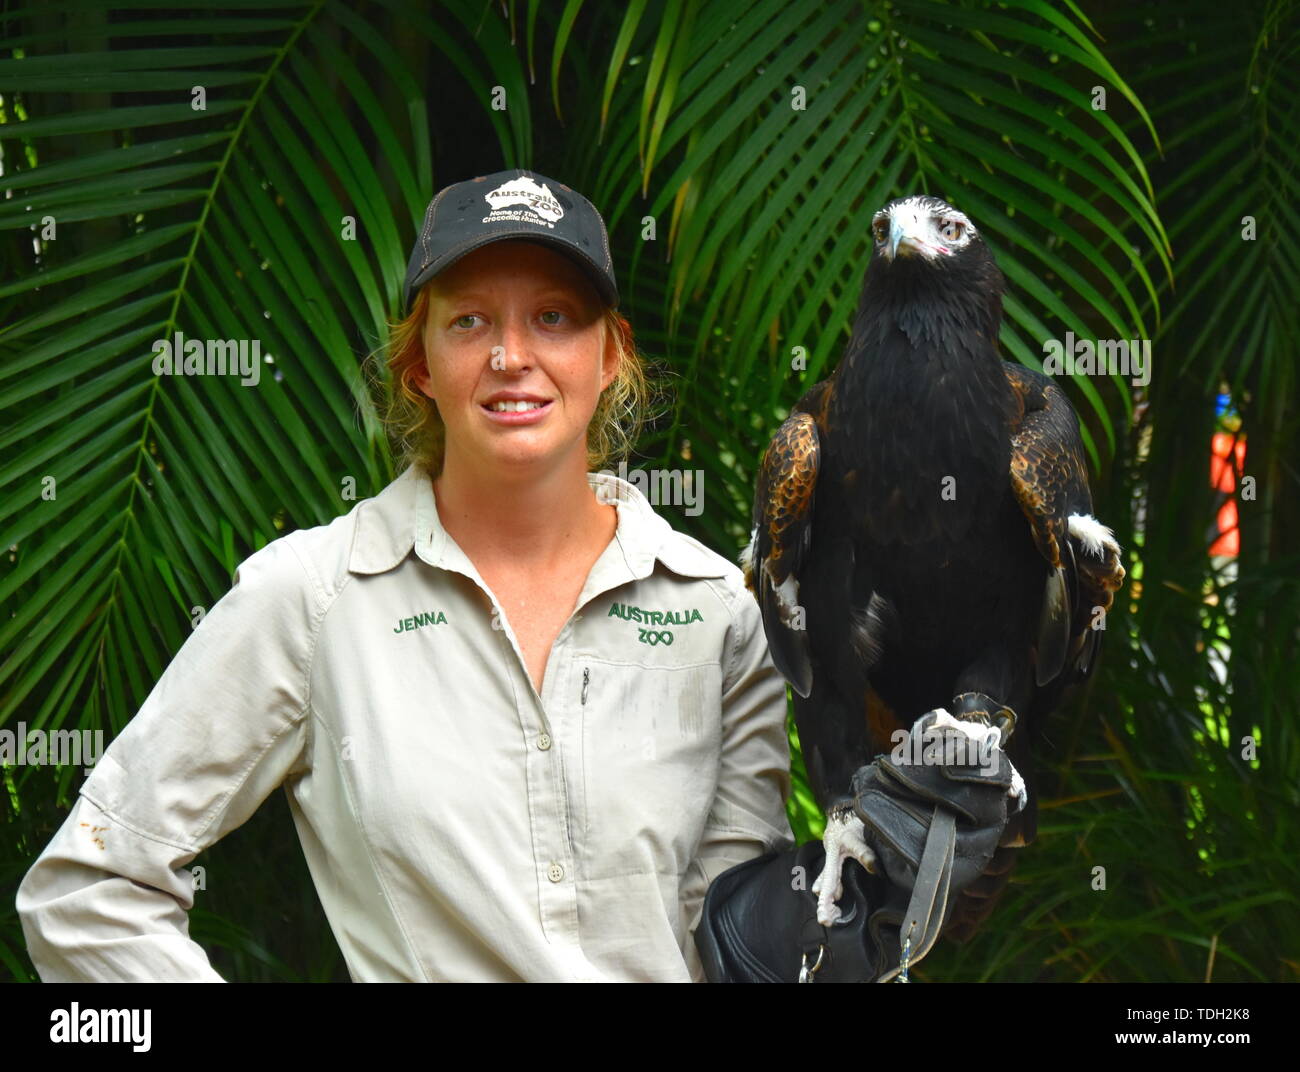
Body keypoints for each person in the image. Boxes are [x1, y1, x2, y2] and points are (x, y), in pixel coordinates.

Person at [16, 168, 796, 983]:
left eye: (553, 317)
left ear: (611, 356)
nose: (511, 355)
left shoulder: (719, 613)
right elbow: (88, 890)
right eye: (469, 321)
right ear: (418, 365)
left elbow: (743, 943)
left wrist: (879, 889)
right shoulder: (315, 597)